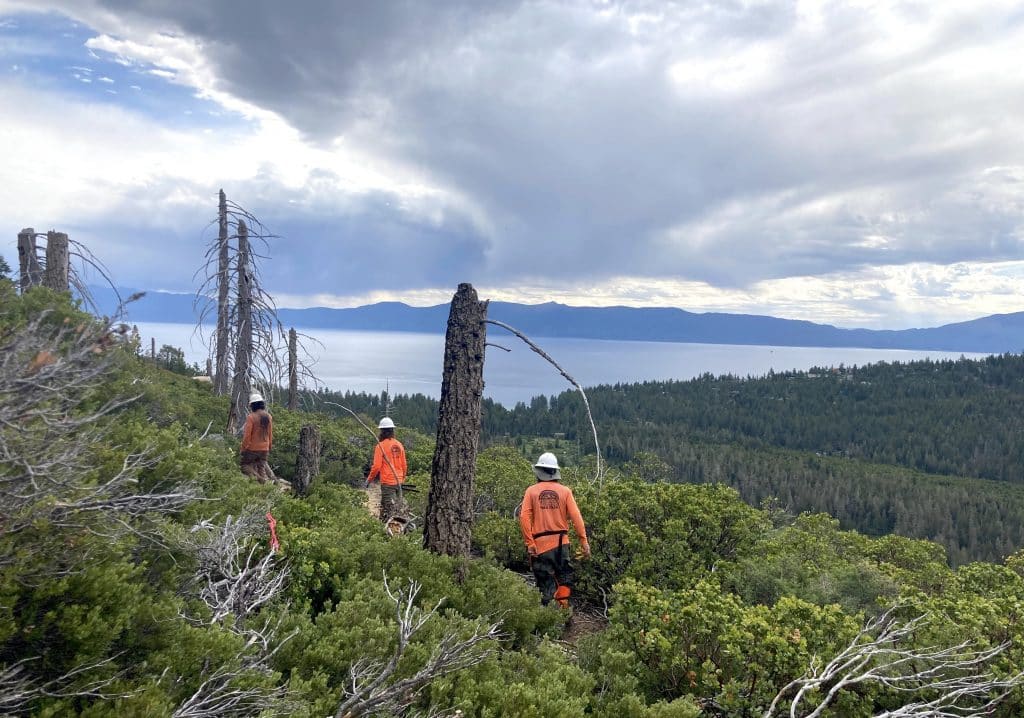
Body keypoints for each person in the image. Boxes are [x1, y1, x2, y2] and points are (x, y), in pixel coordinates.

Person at [519, 452, 590, 607]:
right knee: (564, 577)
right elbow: (576, 517)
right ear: (555, 472)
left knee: (545, 584)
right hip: (561, 544)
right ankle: (563, 610)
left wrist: (529, 542)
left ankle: (549, 619)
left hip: (540, 546)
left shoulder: (531, 491)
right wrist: (584, 541)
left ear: (539, 472)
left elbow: (524, 518)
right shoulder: (565, 491)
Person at [365, 417, 407, 521]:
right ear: (392, 430)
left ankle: (389, 532)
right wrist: (402, 478)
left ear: (382, 431)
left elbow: (376, 467)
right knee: (398, 507)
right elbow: (404, 465)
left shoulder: (380, 446)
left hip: (388, 483)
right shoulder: (399, 444)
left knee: (389, 510)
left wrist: (369, 480)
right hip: (399, 481)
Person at [240, 391, 275, 483]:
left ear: (253, 405)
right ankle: (265, 485)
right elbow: (270, 434)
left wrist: (244, 448)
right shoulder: (269, 417)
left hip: (252, 448)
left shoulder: (251, 417)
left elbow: (247, 436)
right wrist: (269, 447)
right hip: (265, 448)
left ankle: (259, 479)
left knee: (244, 466)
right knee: (261, 467)